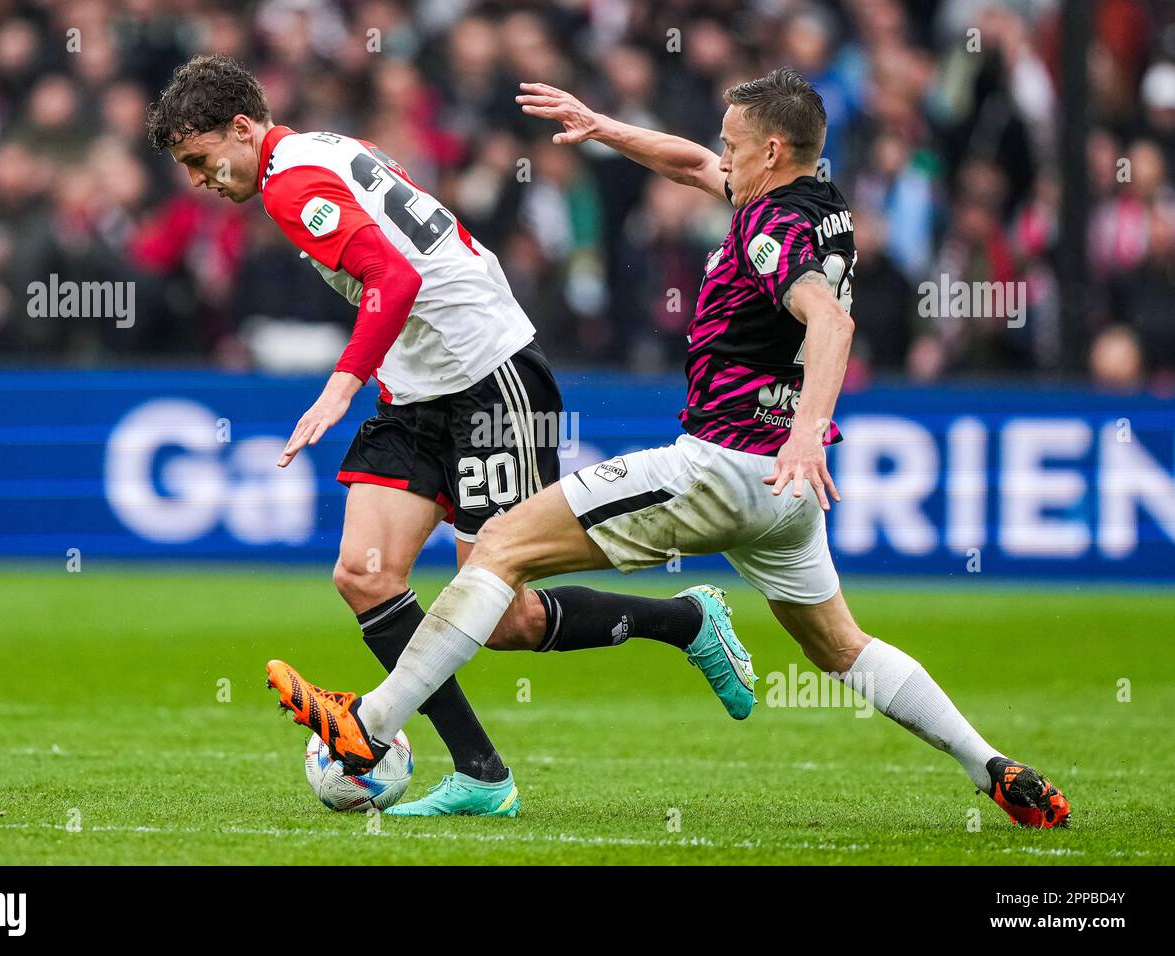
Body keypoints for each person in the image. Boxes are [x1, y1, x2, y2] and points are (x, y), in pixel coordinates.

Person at [265, 68, 1071, 829]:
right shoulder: (813, 203)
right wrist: (602, 125)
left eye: (730, 142)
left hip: (724, 467)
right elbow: (689, 165)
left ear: (771, 151)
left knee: (499, 548)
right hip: (781, 506)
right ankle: (989, 765)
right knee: (840, 647)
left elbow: (830, 320)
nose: (717, 154)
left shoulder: (773, 229)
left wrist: (802, 437)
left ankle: (370, 726)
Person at [148, 55, 757, 816]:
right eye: (187, 169)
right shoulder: (324, 148)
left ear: (243, 128)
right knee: (365, 574)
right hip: (418, 387)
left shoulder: (289, 182)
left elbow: (395, 281)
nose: (201, 179)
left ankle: (688, 618)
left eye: (202, 160)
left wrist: (340, 386)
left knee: (505, 618)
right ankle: (482, 774)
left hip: (487, 374)